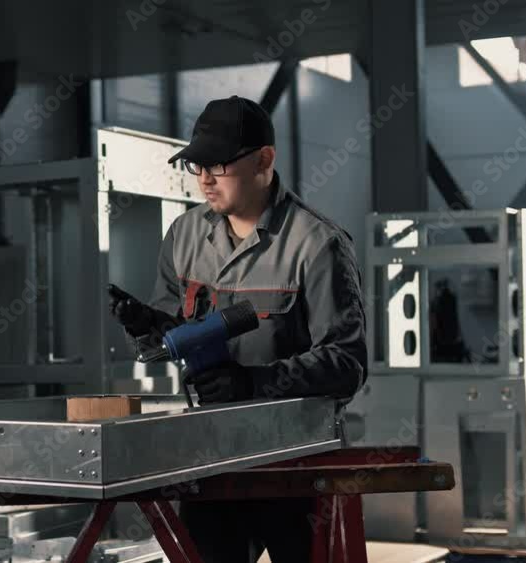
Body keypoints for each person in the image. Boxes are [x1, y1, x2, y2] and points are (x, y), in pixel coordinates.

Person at [107, 95, 367, 562]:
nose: (204, 179)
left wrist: (253, 383)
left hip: (296, 468)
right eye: (197, 165)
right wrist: (147, 326)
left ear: (264, 159)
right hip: (213, 460)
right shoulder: (184, 238)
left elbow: (347, 364)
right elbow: (172, 343)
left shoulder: (318, 245)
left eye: (218, 164)